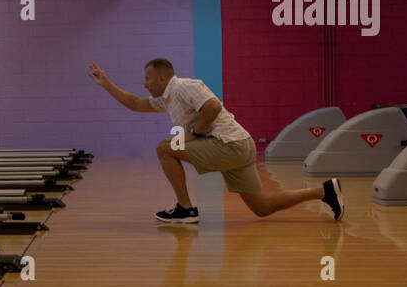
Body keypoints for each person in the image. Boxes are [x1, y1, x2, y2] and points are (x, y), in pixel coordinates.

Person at [87, 58, 345, 224]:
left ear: (162, 78)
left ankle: (185, 209)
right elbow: (134, 103)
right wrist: (106, 83)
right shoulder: (167, 98)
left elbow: (212, 106)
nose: (144, 85)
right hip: (238, 146)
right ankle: (325, 190)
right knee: (262, 207)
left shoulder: (184, 86)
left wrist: (196, 133)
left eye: (147, 79)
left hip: (229, 145)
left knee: (165, 149)